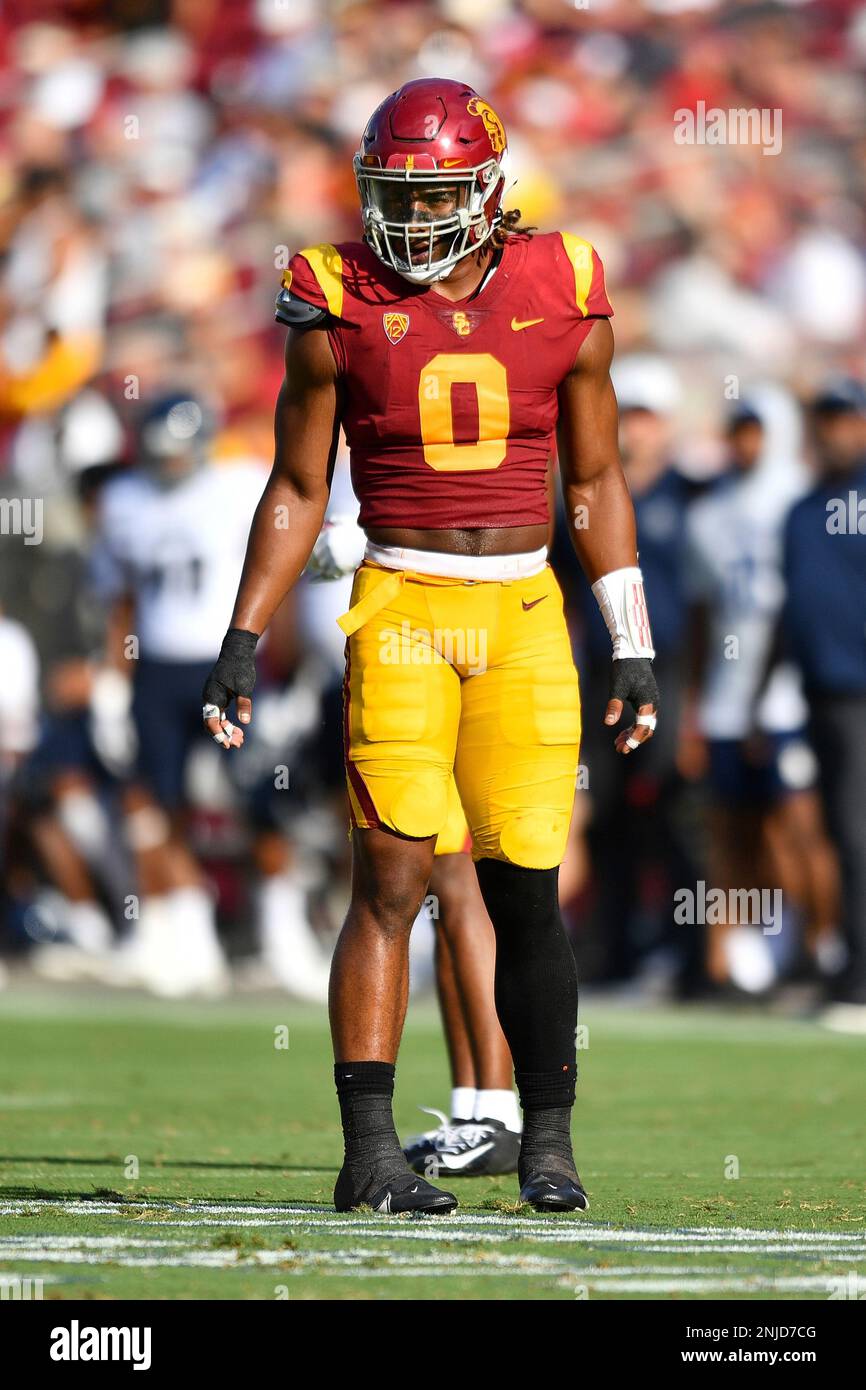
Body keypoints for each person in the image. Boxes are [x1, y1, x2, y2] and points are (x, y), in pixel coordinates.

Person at [202, 79, 658, 1214]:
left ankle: (542, 1141)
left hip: (520, 608)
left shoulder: (564, 281)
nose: (409, 218)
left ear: (490, 191)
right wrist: (241, 636)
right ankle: (369, 1153)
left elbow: (594, 477)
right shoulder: (333, 293)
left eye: (436, 193)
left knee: (524, 884)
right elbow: (299, 484)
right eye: (393, 194)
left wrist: (631, 638)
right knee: (391, 878)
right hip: (401, 598)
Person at [782, 380, 866, 1032]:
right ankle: (849, 966)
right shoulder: (803, 508)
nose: (835, 431)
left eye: (847, 419)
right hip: (824, 693)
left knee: (857, 833)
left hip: (859, 689)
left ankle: (859, 976)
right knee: (842, 832)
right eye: (827, 418)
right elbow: (793, 610)